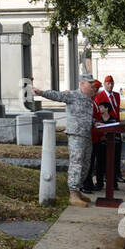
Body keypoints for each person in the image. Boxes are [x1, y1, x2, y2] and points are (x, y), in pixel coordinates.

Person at [37, 74, 98, 207]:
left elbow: (85, 116)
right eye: (90, 83)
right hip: (76, 134)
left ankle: (78, 189)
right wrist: (41, 92)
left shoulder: (89, 99)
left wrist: (94, 122)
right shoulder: (72, 95)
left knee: (86, 163)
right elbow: (57, 95)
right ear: (82, 84)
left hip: (86, 134)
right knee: (77, 163)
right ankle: (73, 193)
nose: (92, 86)